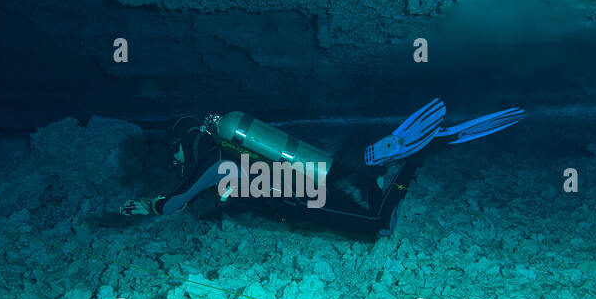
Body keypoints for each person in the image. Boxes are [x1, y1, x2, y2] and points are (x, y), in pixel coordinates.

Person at [119, 99, 523, 237]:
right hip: (308, 175)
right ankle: (417, 149)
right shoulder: (223, 147)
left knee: (376, 224)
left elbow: (176, 204)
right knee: (360, 189)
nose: (174, 162)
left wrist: (147, 207)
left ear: (180, 142)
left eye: (173, 153)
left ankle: (403, 155)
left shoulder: (206, 158)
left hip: (300, 189)